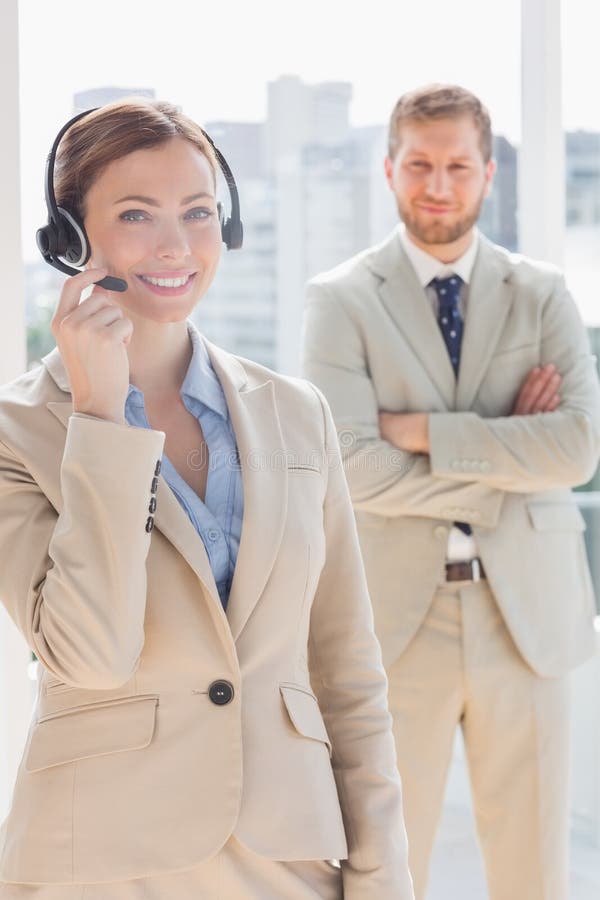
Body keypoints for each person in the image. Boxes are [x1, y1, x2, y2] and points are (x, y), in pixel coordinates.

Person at [0, 98, 414, 900]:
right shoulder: (20, 433)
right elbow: (92, 655)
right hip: (100, 863)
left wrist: (382, 877)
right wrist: (97, 418)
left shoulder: (297, 414)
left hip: (289, 860)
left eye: (197, 213)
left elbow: (348, 672)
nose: (176, 246)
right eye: (135, 215)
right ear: (70, 239)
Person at [302, 83, 600, 900]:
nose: (439, 185)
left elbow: (576, 447)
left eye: (458, 166)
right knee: (388, 860)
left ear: (488, 171)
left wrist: (426, 431)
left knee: (535, 866)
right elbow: (352, 465)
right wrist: (507, 459)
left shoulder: (543, 292)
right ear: (390, 169)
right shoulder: (341, 300)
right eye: (421, 165)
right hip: (397, 619)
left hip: (526, 618)